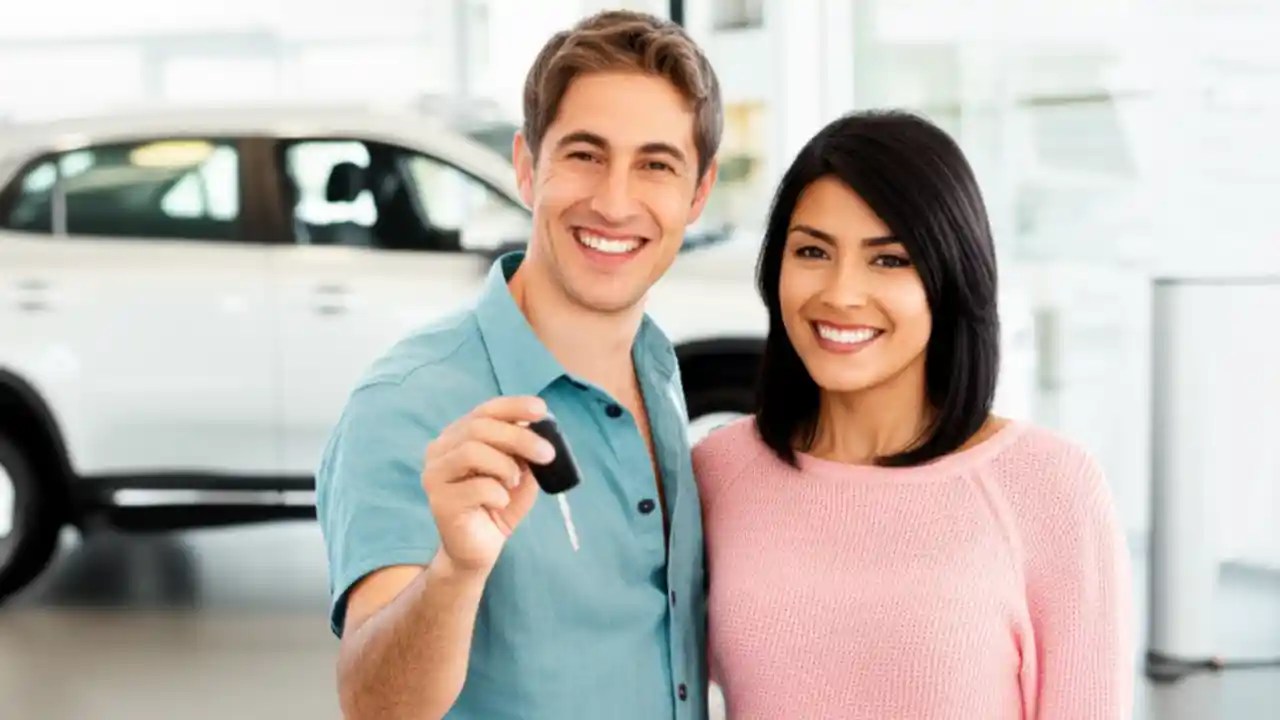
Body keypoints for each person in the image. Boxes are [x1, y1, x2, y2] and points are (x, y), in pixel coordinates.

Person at [315, 11, 721, 720]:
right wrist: (456, 571)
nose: (616, 200)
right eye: (584, 155)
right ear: (528, 169)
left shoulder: (657, 371)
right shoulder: (407, 404)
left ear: (698, 194)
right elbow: (374, 705)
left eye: (655, 164)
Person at [692, 110, 1135, 719]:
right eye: (813, 250)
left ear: (951, 277)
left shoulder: (1051, 487)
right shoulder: (718, 473)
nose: (841, 292)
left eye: (890, 259)